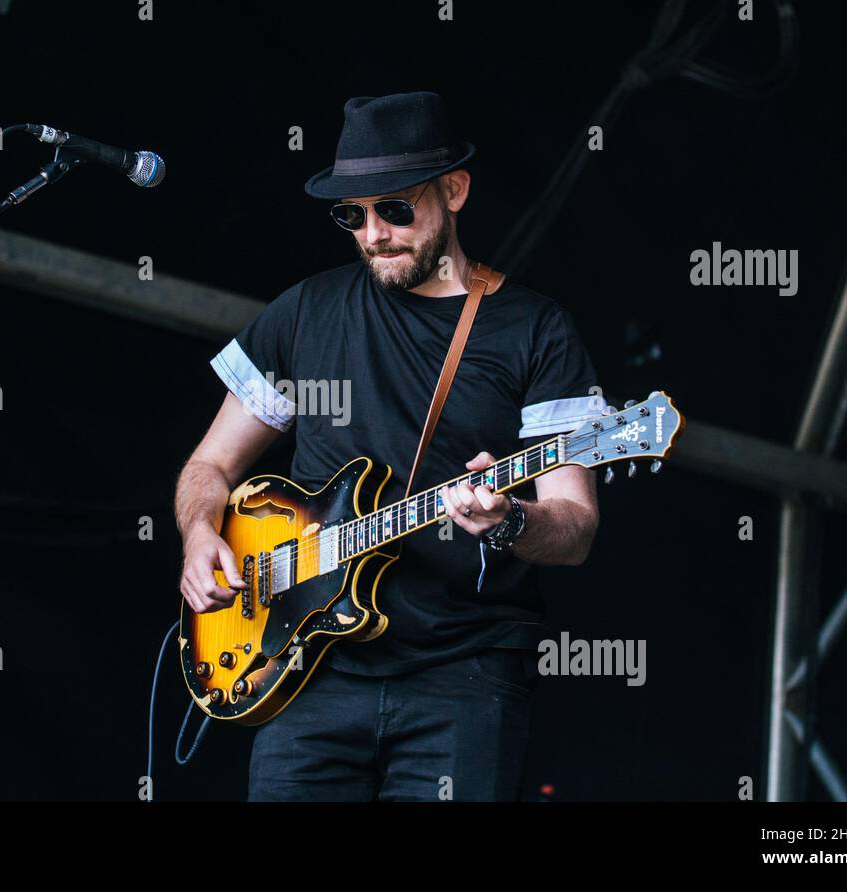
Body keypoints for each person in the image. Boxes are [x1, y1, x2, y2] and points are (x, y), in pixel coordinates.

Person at [174, 91, 600, 801]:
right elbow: (209, 466)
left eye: (395, 209)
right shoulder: (305, 312)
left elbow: (577, 526)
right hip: (308, 671)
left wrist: (514, 520)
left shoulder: (535, 331)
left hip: (463, 679)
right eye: (353, 215)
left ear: (454, 190)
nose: (373, 234)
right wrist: (195, 534)